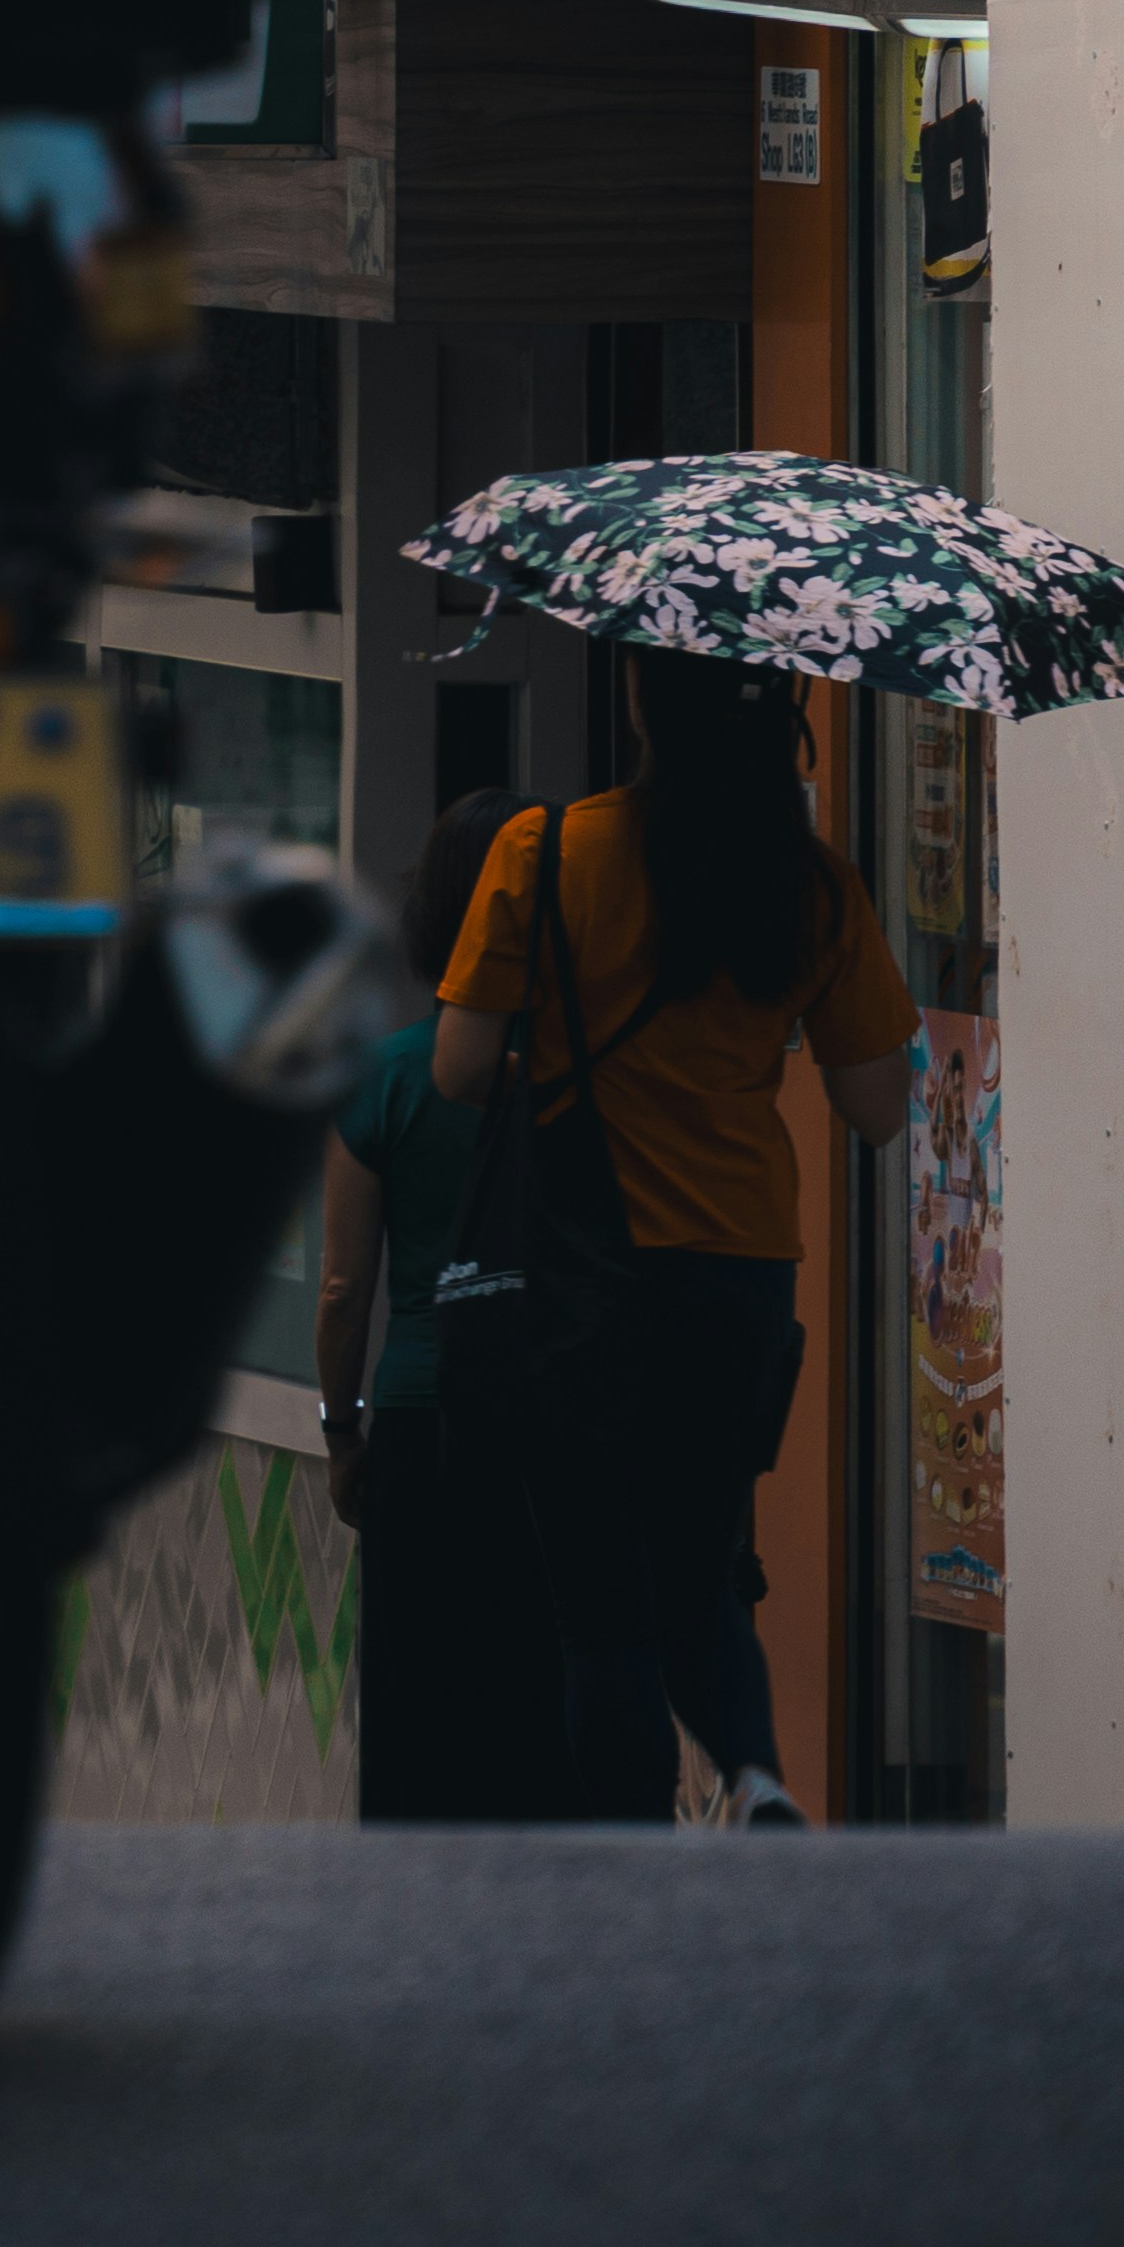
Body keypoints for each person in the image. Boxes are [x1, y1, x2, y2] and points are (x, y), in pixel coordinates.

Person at [423, 645, 917, 1827]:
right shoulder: (815, 887)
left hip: (579, 1277)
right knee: (699, 1567)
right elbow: (879, 1108)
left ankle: (634, 1853)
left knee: (599, 1600)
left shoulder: (545, 854)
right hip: (740, 1272)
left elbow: (455, 1068)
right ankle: (753, 1777)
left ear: (643, 701)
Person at [317, 790, 566, 1822]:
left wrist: (342, 1431)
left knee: (418, 1699)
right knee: (537, 1688)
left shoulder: (382, 1079)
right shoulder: (579, 1080)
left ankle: (415, 1935)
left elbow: (342, 1287)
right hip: (553, 1414)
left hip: (423, 1415)